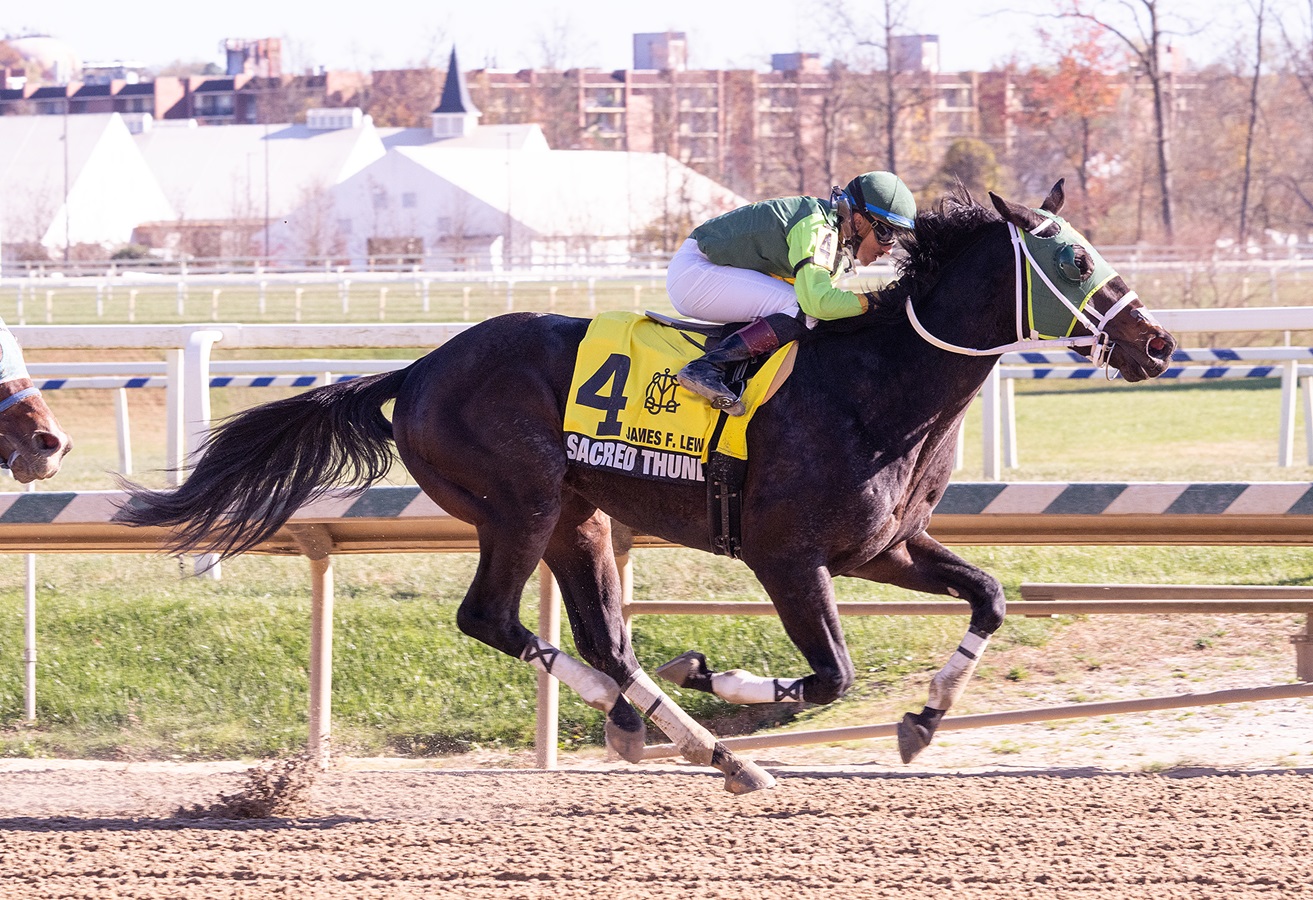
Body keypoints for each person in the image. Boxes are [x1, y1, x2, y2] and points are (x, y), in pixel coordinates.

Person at [667, 171, 916, 415]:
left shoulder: (837, 247)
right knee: (801, 309)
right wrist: (881, 299)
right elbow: (819, 304)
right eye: (887, 233)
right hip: (695, 273)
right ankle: (707, 367)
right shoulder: (819, 227)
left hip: (707, 274)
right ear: (859, 220)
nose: (888, 250)